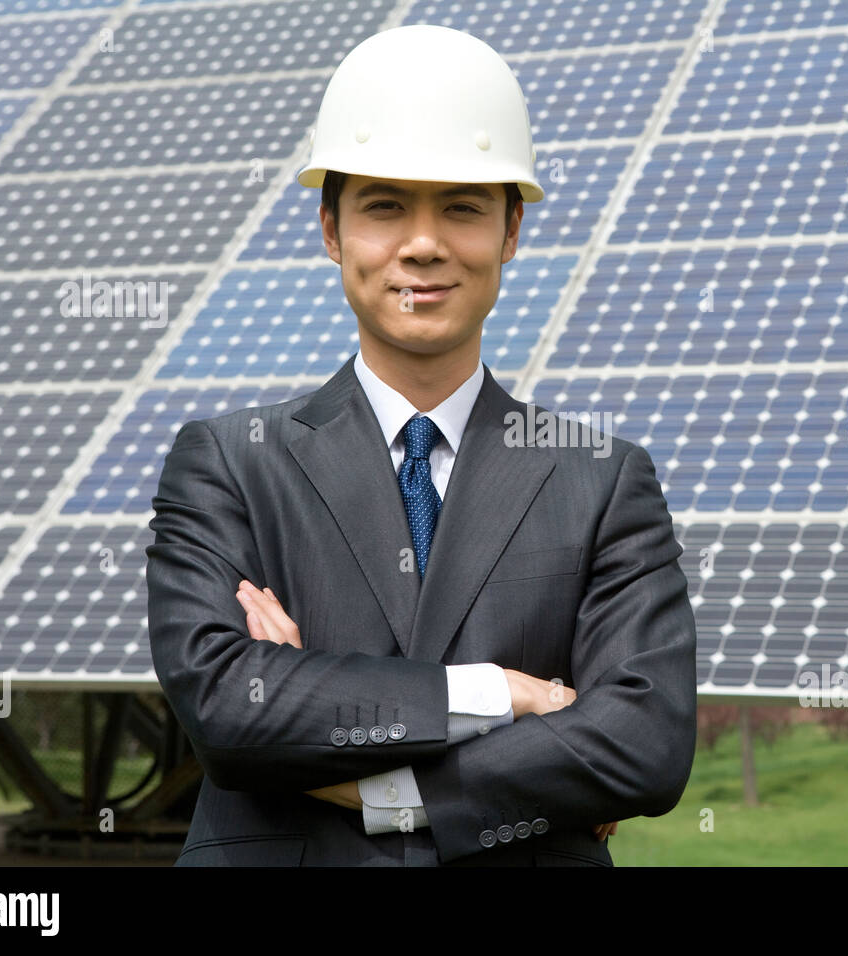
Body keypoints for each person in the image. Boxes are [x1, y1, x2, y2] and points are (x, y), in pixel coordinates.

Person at [145, 23, 697, 866]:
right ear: (331, 230)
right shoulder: (229, 464)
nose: (425, 243)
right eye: (385, 206)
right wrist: (502, 696)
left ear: (512, 233)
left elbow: (643, 744)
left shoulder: (602, 479)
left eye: (465, 208)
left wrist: (368, 773)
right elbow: (229, 710)